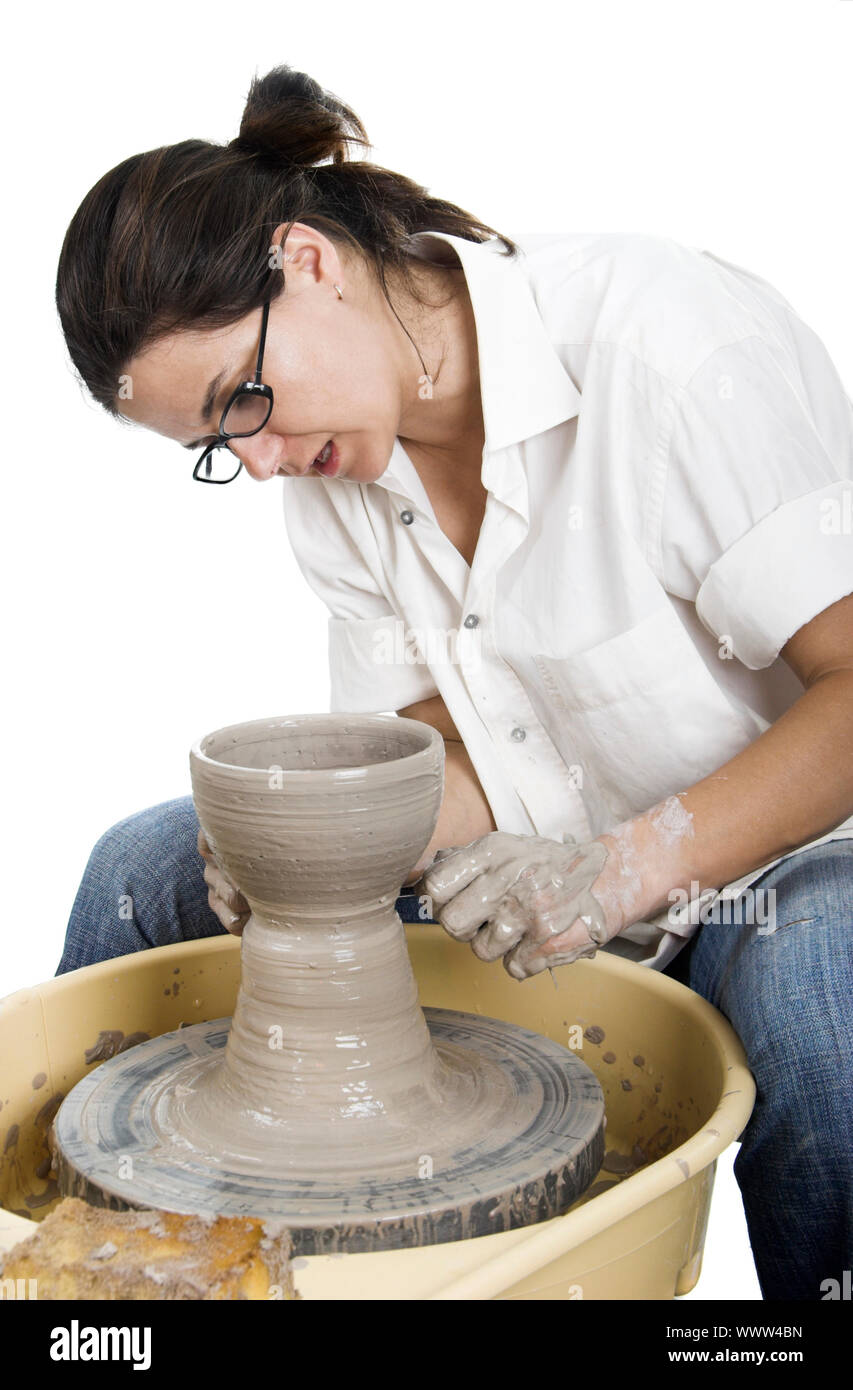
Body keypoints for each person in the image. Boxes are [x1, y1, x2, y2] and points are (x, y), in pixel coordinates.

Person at [54, 64, 852, 1299]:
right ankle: (97, 1289)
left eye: (243, 402)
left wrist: (627, 869)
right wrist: (308, 846)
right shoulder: (330, 477)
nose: (261, 463)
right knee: (140, 872)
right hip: (534, 888)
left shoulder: (662, 345)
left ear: (306, 261)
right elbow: (457, 747)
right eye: (220, 450)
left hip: (779, 870)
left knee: (812, 964)